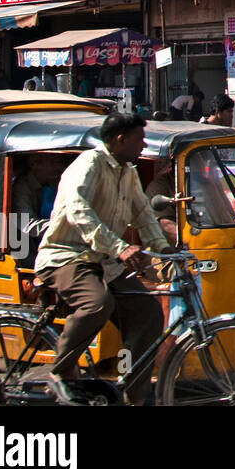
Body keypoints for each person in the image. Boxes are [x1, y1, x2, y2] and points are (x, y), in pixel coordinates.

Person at [33, 112, 171, 405]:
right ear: (121, 140)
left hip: (104, 263)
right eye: (139, 138)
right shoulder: (88, 165)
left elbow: (144, 215)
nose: (143, 144)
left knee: (149, 314)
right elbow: (78, 211)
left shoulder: (128, 171)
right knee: (98, 303)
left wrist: (164, 251)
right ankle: (60, 370)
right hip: (67, 255)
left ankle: (133, 391)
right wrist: (120, 247)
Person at [11, 154, 65, 265]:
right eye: (53, 163)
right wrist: (63, 226)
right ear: (34, 164)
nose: (59, 167)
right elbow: (29, 226)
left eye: (60, 162)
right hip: (25, 252)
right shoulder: (21, 189)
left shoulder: (53, 182)